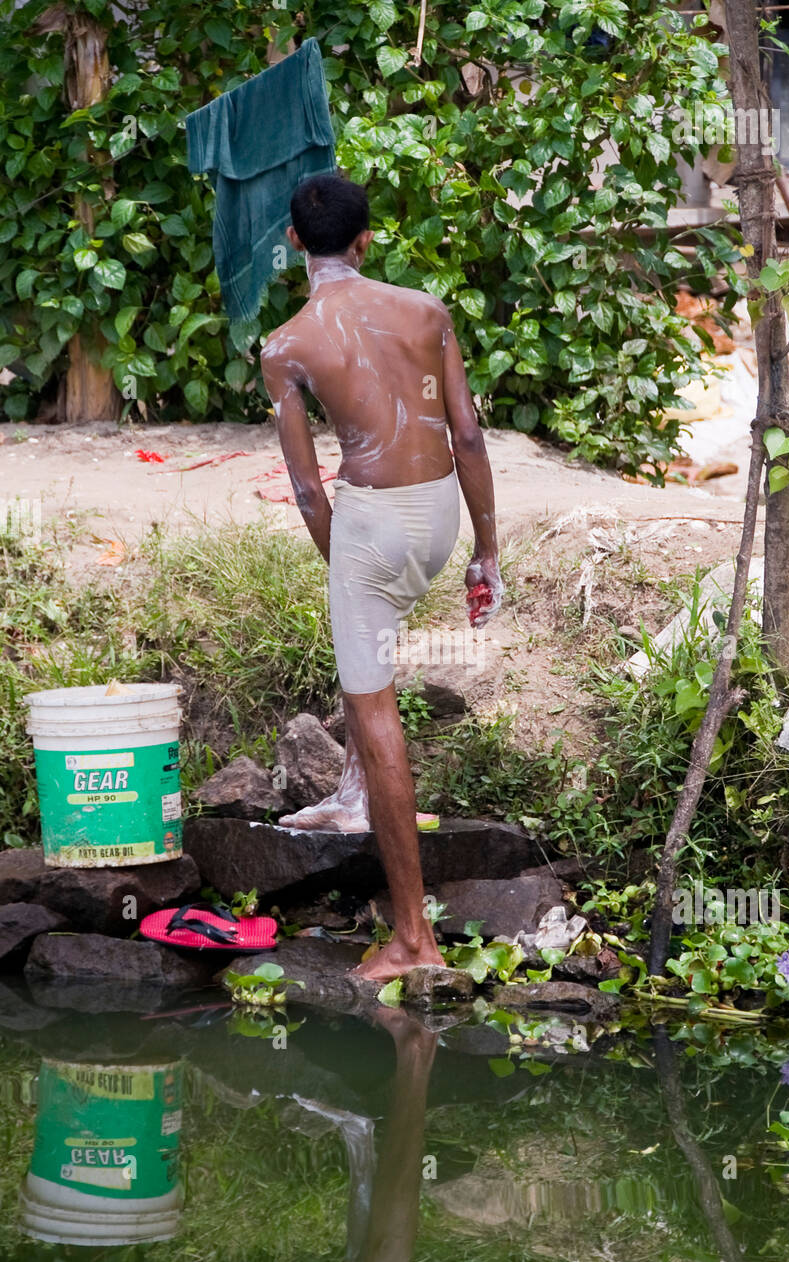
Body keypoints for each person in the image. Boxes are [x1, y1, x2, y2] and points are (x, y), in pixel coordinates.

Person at [260, 172, 502, 983]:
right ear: (367, 240)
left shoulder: (286, 346)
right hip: (440, 517)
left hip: (369, 520)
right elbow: (466, 434)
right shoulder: (426, 312)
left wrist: (346, 562)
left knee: (375, 704)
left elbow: (304, 486)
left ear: (296, 241)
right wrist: (486, 551)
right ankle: (357, 793)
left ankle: (411, 939)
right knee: (376, 638)